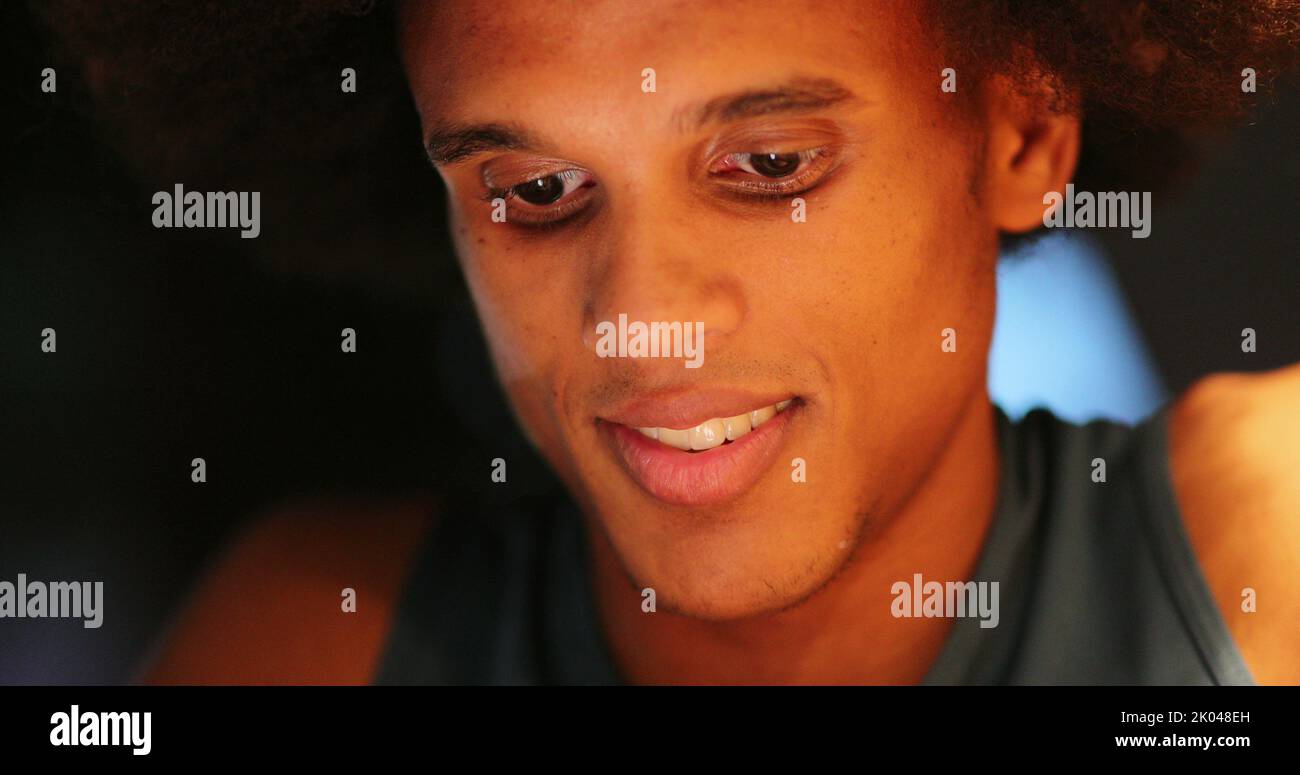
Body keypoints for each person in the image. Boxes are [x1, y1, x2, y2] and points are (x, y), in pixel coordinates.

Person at [140, 0, 1300, 685]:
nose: (641, 314)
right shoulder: (310, 644)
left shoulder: (1266, 554)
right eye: (537, 187)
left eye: (771, 166)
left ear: (1024, 135)